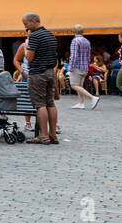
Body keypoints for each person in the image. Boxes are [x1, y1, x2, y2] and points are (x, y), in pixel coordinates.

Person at [21, 12, 59, 144]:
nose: (25, 27)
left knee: (40, 104)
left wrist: (26, 48)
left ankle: (43, 135)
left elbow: (29, 57)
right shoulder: (50, 35)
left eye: (26, 24)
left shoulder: (35, 36)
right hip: (50, 72)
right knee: (50, 103)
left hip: (38, 73)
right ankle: (53, 134)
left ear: (33, 21)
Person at [67, 25, 99, 110]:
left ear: (74, 32)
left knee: (74, 85)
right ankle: (81, 103)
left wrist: (71, 67)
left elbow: (73, 56)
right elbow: (89, 55)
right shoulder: (87, 41)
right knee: (80, 85)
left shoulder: (75, 41)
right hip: (85, 66)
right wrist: (87, 65)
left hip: (77, 67)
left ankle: (92, 97)